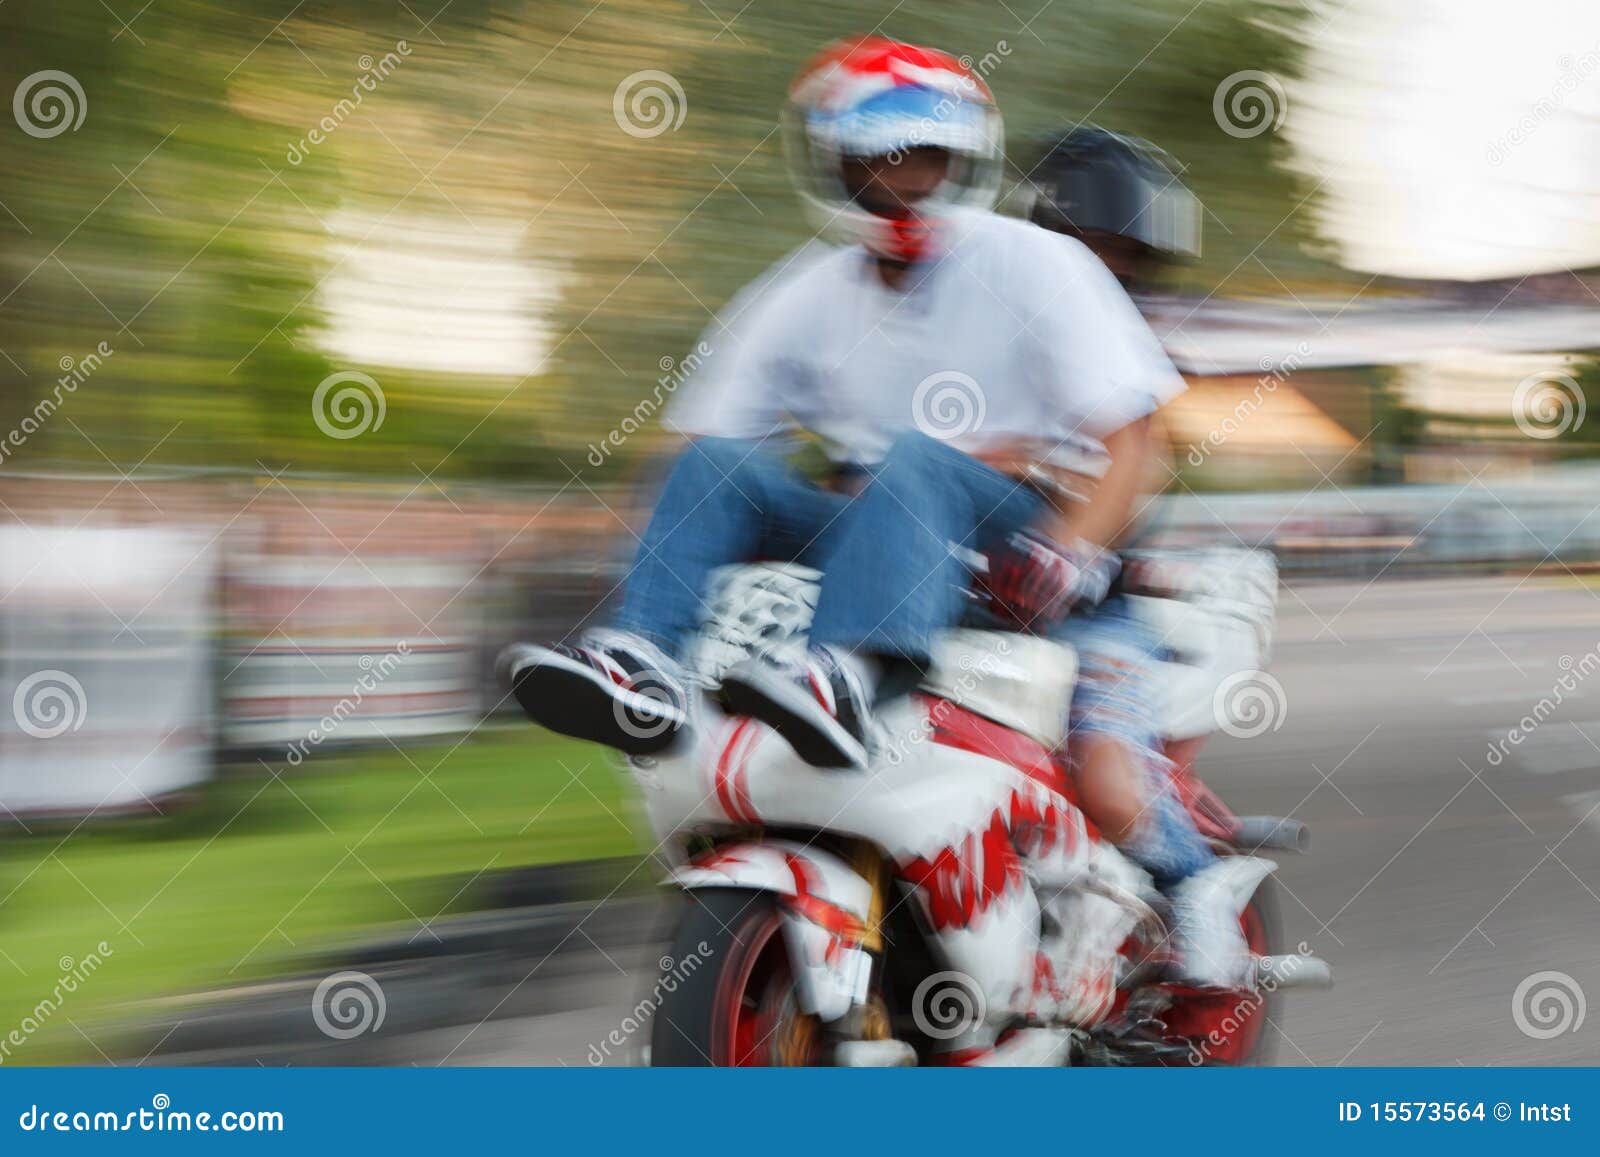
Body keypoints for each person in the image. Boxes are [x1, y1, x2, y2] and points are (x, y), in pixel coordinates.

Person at [504, 42, 1248, 987]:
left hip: (1036, 562)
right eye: (874, 157)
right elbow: (689, 458)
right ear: (833, 166)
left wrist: (1068, 548)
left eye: (921, 154)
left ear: (965, 160)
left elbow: (1135, 440)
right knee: (714, 461)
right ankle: (644, 661)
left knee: (1102, 767)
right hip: (881, 547)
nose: (898, 177)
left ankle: (1195, 887)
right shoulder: (797, 296)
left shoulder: (1041, 265)